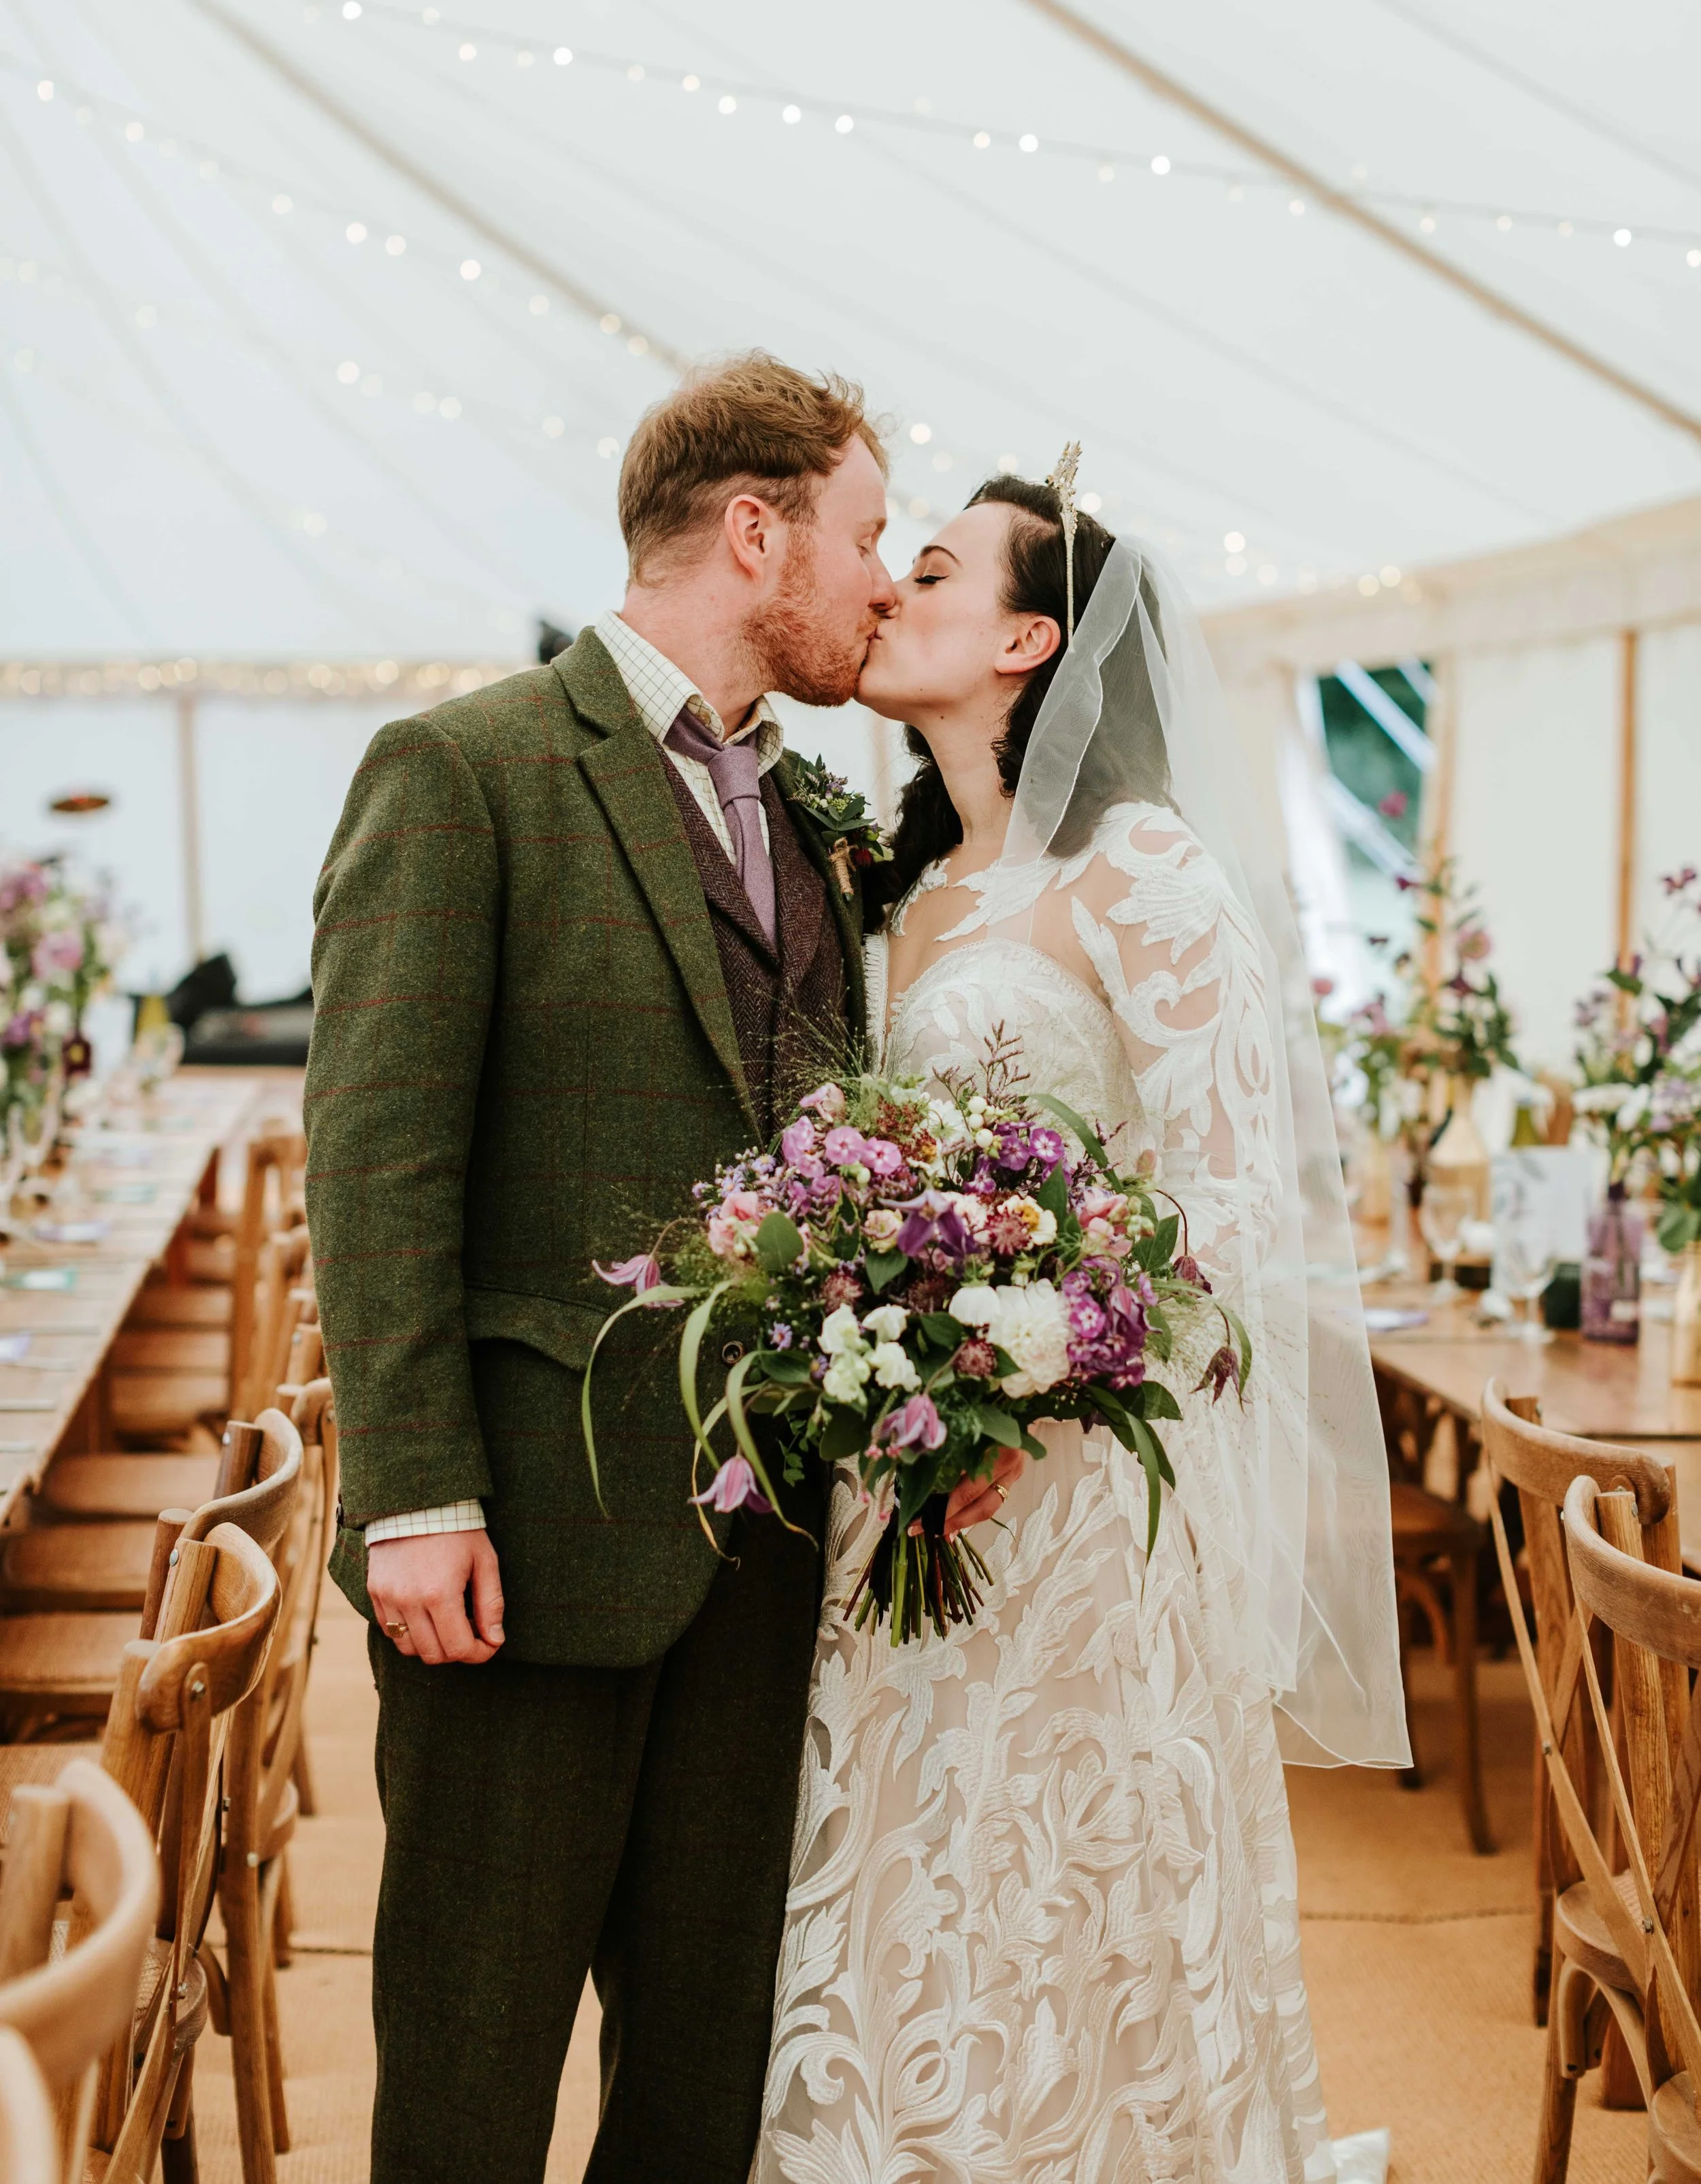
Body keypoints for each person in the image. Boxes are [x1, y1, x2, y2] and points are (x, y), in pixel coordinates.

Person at [755, 476, 1408, 2184]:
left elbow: (1234, 1213)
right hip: (903, 1475)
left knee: (1062, 1888)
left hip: (1075, 1506)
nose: (891, 593)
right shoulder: (895, 886)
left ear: (1030, 640)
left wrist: (1036, 1399)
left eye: (934, 568)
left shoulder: (1143, 875)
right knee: (905, 1873)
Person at [303, 352, 895, 2184]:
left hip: (759, 1541)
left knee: (700, 2070)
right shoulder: (466, 765)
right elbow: (377, 1152)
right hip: (525, 1541)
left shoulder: (806, 815)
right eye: (866, 537)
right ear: (751, 528)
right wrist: (413, 1488)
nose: (883, 579)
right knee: (474, 2066)